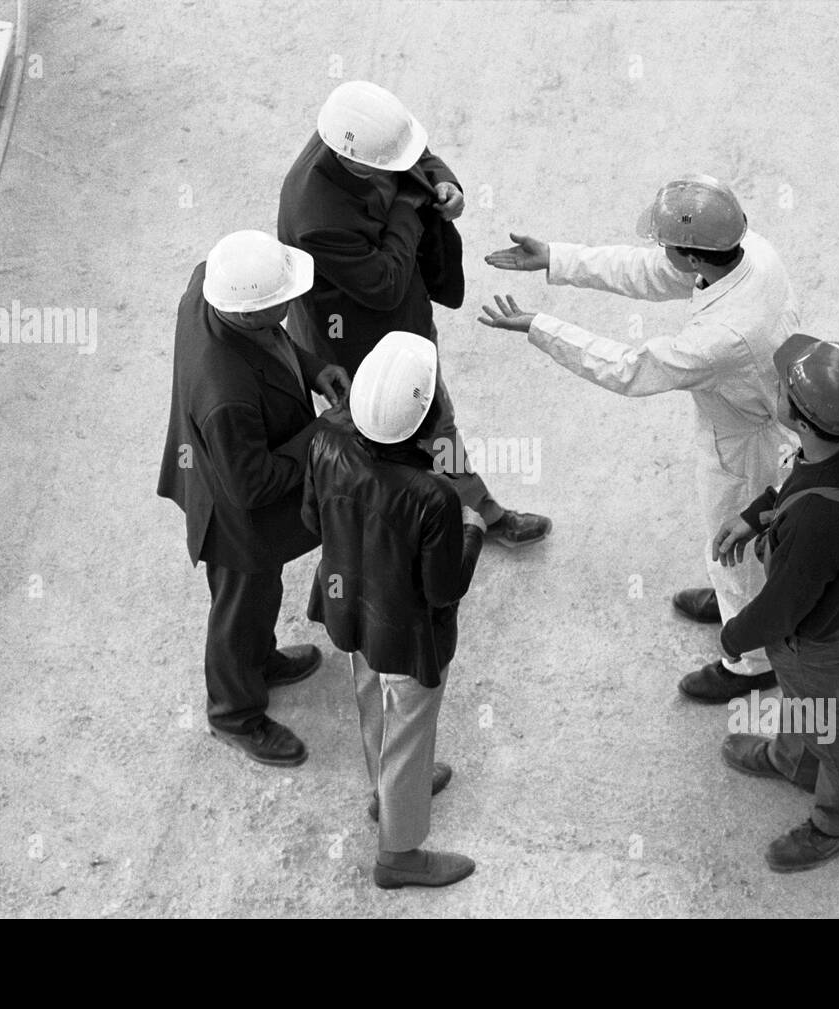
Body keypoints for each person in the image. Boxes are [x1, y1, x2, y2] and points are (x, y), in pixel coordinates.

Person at [480, 174, 798, 700]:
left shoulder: (721, 338)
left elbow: (630, 370)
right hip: (751, 415)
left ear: (694, 257)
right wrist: (558, 258)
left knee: (737, 540)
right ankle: (733, 604)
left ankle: (750, 659)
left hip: (744, 443)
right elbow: (651, 271)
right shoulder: (750, 254)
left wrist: (539, 327)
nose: (662, 253)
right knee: (737, 543)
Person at [280, 79, 551, 549]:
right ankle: (400, 540)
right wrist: (410, 205)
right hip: (355, 353)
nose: (399, 171)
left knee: (436, 421)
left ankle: (477, 513)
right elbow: (383, 285)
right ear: (347, 158)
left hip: (405, 327)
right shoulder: (315, 216)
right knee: (375, 446)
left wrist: (445, 183)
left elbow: (414, 154)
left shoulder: (358, 133)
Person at [157, 230, 350, 767]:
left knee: (259, 591)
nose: (294, 306)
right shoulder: (225, 392)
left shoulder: (210, 284)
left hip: (225, 481)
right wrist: (325, 430)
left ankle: (259, 661)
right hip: (234, 516)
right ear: (246, 315)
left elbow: (275, 344)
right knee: (238, 607)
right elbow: (255, 483)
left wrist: (312, 368)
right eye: (281, 303)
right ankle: (233, 715)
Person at [302, 331, 482, 889]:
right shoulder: (435, 497)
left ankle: (388, 791)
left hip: (348, 607)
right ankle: (399, 854)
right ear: (426, 421)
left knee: (369, 696)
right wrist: (472, 532)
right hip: (408, 631)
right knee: (409, 722)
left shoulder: (325, 443)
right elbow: (441, 589)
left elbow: (313, 521)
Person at [712, 333, 839, 872]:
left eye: (785, 387)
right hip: (827, 607)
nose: (778, 388)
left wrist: (736, 636)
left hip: (812, 635)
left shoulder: (821, 521)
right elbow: (811, 480)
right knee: (802, 699)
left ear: (801, 420)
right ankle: (793, 760)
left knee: (833, 726)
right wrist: (763, 512)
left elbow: (784, 607)